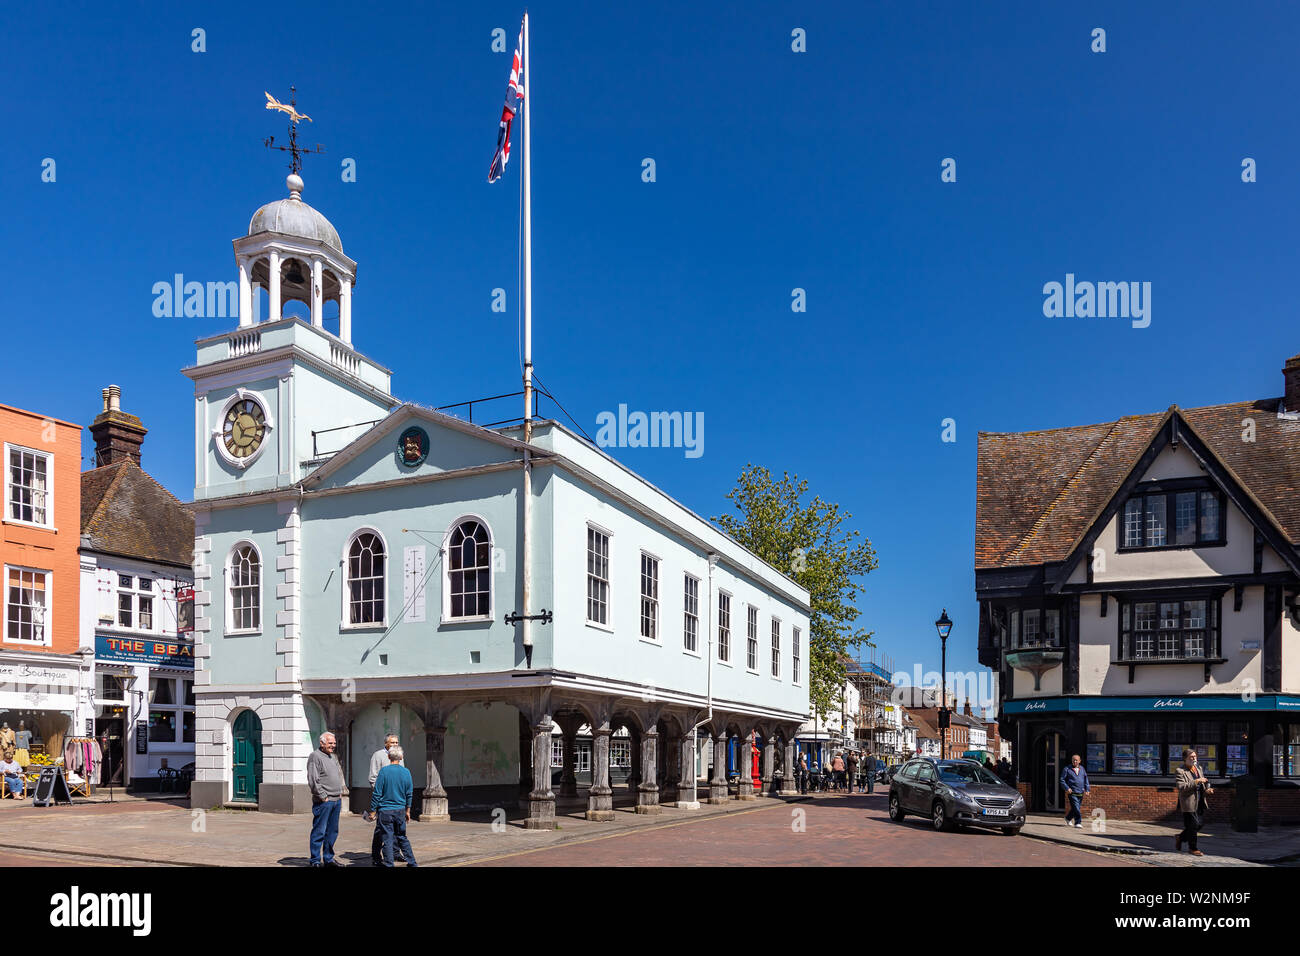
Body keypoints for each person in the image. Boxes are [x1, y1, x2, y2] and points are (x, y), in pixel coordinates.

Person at [367, 746, 418, 867]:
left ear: (389, 757)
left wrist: (373, 810)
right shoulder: (406, 772)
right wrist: (408, 810)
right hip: (400, 810)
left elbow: (377, 793)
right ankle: (412, 862)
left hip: (385, 810)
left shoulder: (384, 771)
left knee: (388, 838)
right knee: (402, 837)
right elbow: (409, 794)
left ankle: (389, 863)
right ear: (401, 757)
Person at [306, 731, 345, 867]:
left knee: (332, 832)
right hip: (324, 802)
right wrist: (323, 797)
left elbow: (336, 775)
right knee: (319, 831)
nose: (333, 745)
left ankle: (329, 859)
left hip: (336, 800)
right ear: (322, 743)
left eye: (334, 743)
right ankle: (315, 860)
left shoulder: (332, 757)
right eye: (330, 743)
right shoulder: (315, 756)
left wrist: (339, 792)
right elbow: (313, 779)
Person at [368, 734, 406, 865]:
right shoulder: (378, 755)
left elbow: (402, 774)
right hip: (383, 799)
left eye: (397, 742)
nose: (395, 744)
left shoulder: (399, 755)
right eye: (392, 742)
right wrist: (381, 794)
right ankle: (376, 855)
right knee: (380, 828)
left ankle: (394, 853)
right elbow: (373, 777)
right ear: (386, 743)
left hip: (397, 798)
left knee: (397, 828)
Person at [1175, 748, 1213, 857]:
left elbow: (1202, 784)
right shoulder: (1180, 771)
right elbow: (1181, 787)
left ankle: (1180, 837)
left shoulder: (1198, 768)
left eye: (1195, 756)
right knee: (1193, 825)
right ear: (1185, 759)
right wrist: (1196, 781)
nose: (1194, 758)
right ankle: (1193, 848)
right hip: (1188, 803)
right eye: (1191, 757)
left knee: (1199, 825)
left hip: (1200, 801)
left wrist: (1207, 790)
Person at [1059, 753, 1090, 828]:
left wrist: (1087, 789)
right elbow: (1062, 780)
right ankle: (1077, 822)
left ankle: (1068, 818)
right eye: (1073, 760)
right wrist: (1067, 788)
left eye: (1076, 760)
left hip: (1080, 792)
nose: (1075, 762)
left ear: (1080, 761)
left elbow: (1086, 779)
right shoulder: (1067, 769)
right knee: (1076, 807)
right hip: (1072, 792)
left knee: (1075, 808)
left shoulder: (1082, 769)